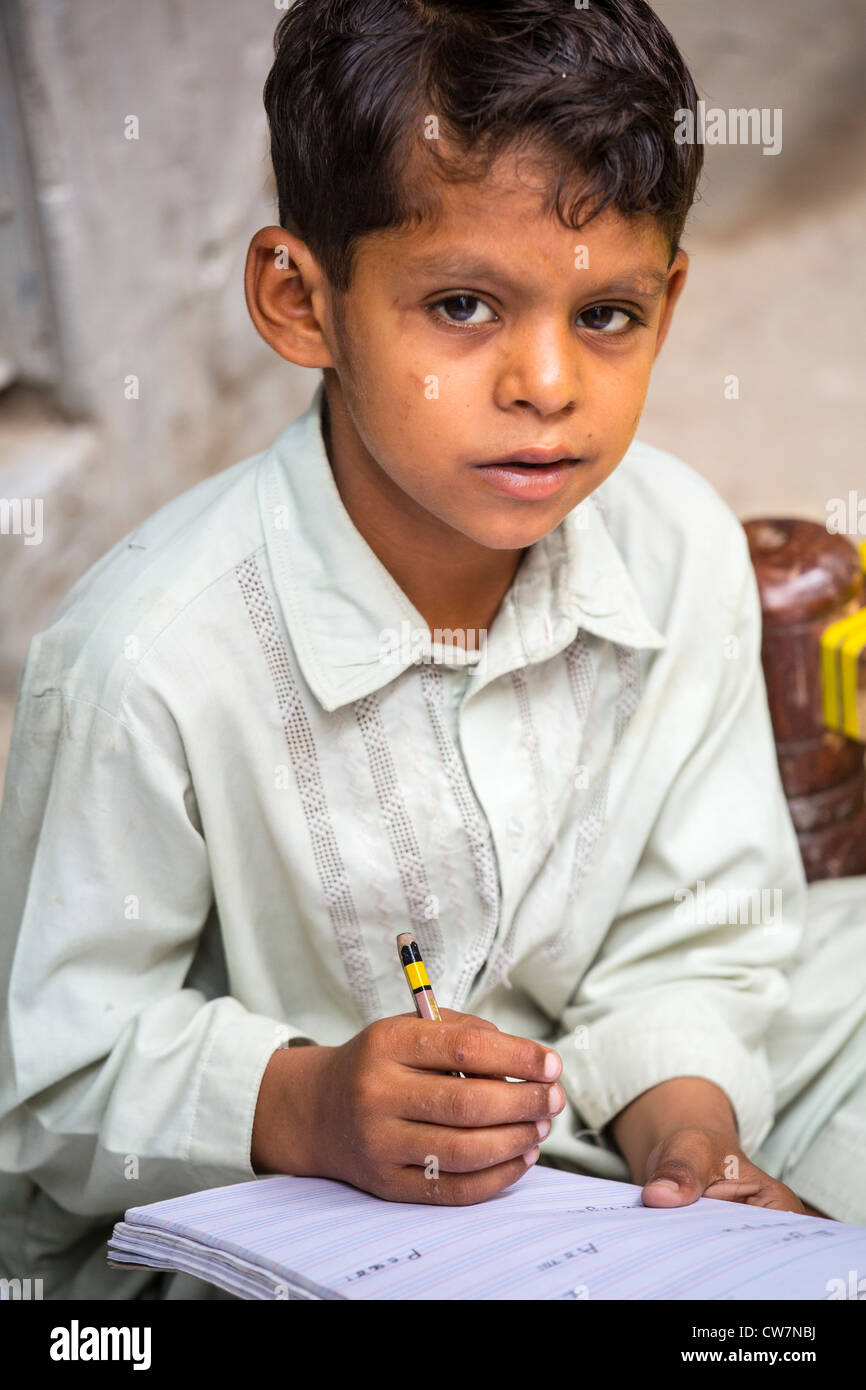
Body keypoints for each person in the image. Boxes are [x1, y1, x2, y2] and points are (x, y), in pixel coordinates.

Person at [1, 0, 863, 1302]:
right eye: (463, 305)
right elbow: (44, 1078)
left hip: (597, 1168)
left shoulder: (673, 542)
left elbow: (694, 934)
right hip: (298, 1219)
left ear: (671, 296)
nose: (546, 382)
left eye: (608, 314)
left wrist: (688, 1140)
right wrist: (300, 1102)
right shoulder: (148, 660)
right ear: (300, 301)